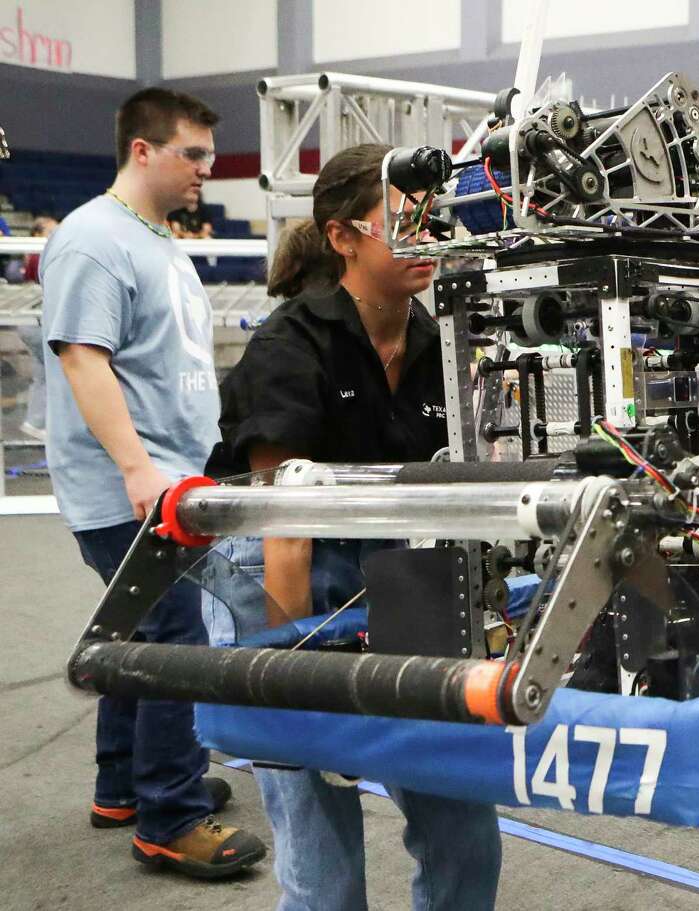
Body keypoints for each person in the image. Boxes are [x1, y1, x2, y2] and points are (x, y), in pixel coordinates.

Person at [203, 143, 502, 911]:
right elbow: (284, 528)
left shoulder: (446, 345)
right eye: (402, 220)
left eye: (432, 218)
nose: (426, 235)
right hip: (276, 576)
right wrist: (287, 678)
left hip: (395, 568)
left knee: (463, 821)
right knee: (323, 858)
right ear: (342, 238)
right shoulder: (289, 348)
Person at [39, 87, 266, 878]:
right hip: (130, 485)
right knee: (176, 638)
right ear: (144, 151)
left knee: (138, 631)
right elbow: (82, 357)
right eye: (192, 154)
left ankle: (123, 787)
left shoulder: (159, 239)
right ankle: (169, 816)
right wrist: (139, 469)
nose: (207, 169)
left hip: (174, 474)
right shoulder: (93, 239)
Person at [16, 216, 57, 440]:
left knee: (43, 375)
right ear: (36, 235)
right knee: (57, 373)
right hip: (35, 321)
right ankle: (47, 423)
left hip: (33, 321)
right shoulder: (37, 255)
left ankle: (35, 422)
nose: (55, 235)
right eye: (51, 232)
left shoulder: (34, 255)